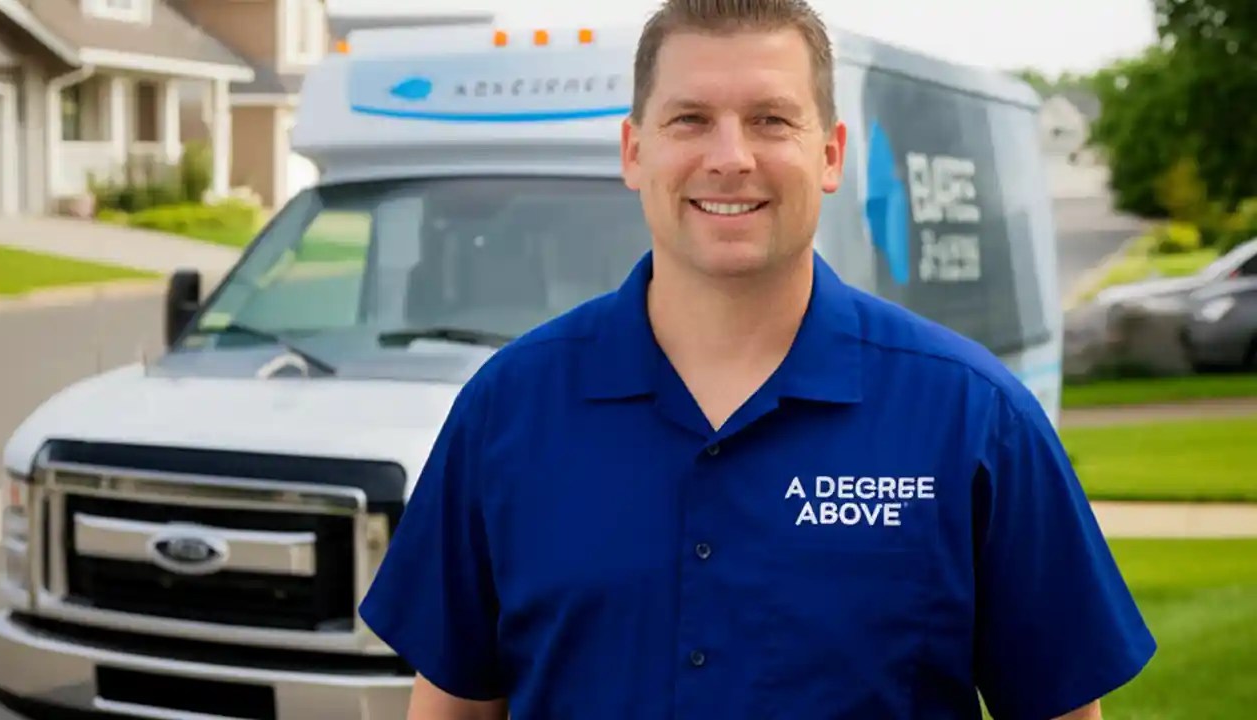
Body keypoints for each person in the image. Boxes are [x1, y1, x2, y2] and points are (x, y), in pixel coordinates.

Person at [358, 0, 1157, 717]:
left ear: (832, 154)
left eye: (772, 120)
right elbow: (455, 708)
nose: (731, 156)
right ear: (634, 151)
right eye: (690, 119)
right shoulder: (508, 411)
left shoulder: (975, 419)